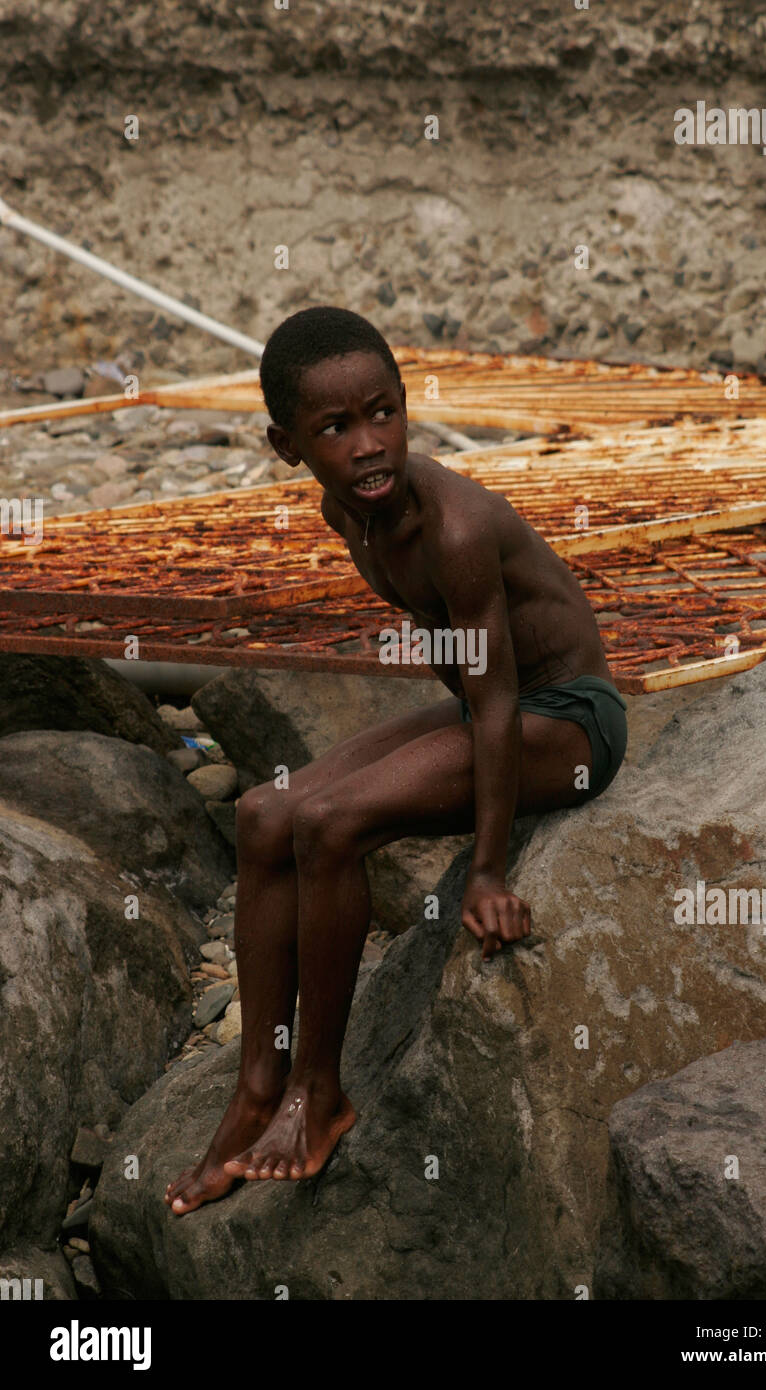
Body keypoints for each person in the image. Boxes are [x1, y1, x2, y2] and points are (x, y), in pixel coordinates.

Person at [165, 306, 627, 1215]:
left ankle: (319, 1092)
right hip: (488, 706)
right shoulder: (350, 512)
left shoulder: (453, 530)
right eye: (335, 428)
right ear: (287, 446)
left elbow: (495, 701)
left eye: (384, 413)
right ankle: (259, 1085)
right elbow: (468, 683)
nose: (369, 444)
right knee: (264, 812)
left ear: (408, 407)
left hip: (567, 723)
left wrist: (486, 871)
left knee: (330, 823)